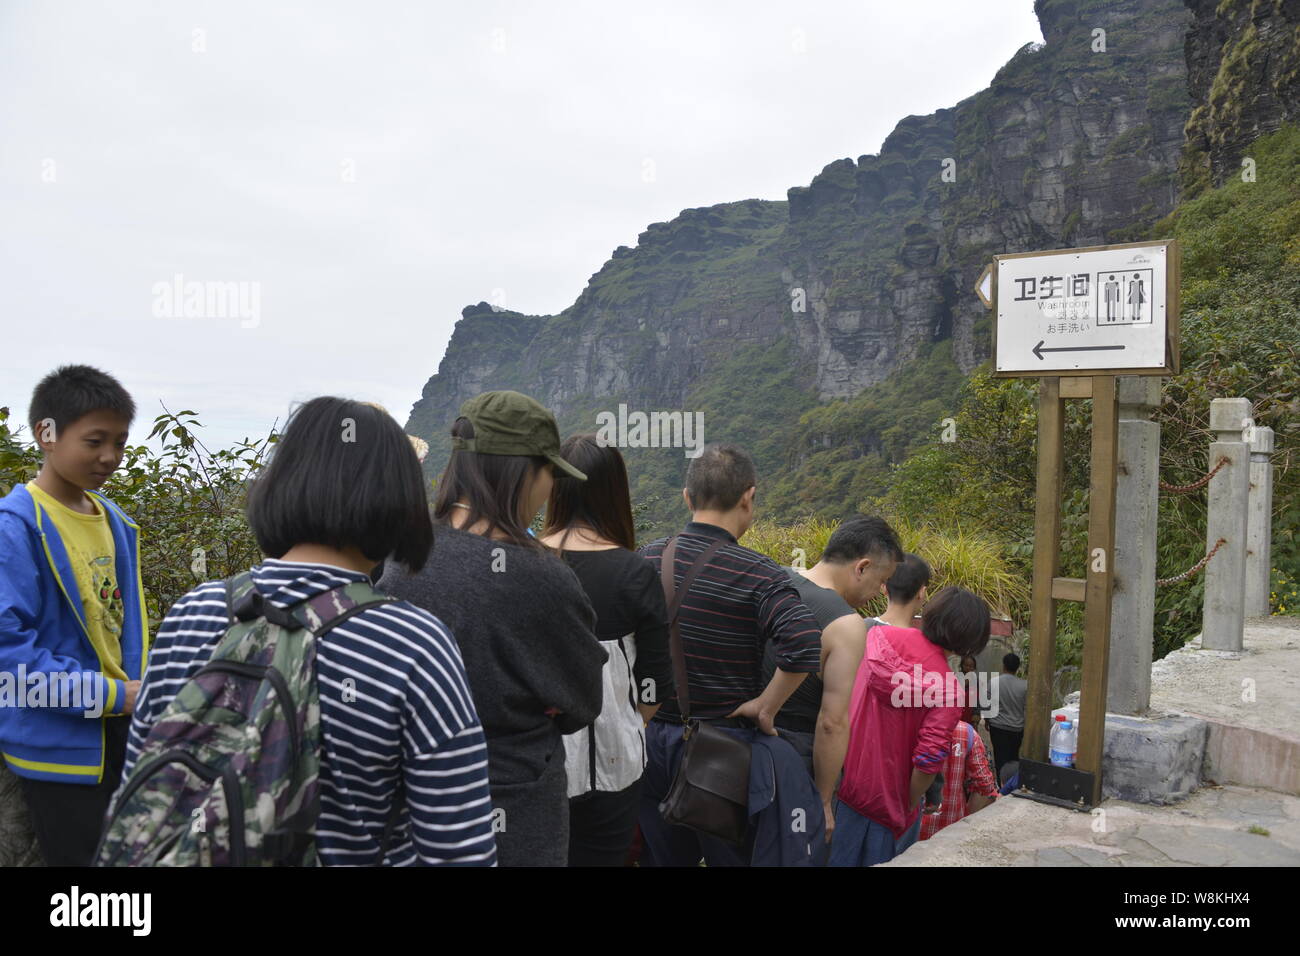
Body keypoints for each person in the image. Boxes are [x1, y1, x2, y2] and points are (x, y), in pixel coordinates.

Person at [118, 397, 497, 865]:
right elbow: (458, 848)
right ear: (401, 501)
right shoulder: (413, 643)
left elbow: (137, 787)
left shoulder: (192, 613)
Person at [381, 391, 606, 867]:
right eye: (549, 474)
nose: (550, 491)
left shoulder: (401, 551)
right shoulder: (542, 577)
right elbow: (582, 702)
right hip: (512, 809)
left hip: (409, 804)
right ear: (524, 472)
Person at [637, 442, 823, 866]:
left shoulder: (646, 558)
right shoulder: (761, 573)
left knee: (662, 858)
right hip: (722, 751)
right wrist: (765, 706)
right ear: (748, 497)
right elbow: (804, 642)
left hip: (649, 744)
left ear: (687, 497)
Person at [0, 365, 146, 866]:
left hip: (120, 733)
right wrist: (111, 694)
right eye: (95, 440)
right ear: (46, 433)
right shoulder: (16, 529)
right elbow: (7, 660)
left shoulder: (116, 524)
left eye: (120, 443)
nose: (110, 457)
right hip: (58, 747)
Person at [539, 434, 673, 867]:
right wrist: (625, 721)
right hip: (615, 763)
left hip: (536, 763)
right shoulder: (635, 572)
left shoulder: (524, 561)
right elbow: (653, 683)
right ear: (616, 490)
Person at [758, 515, 902, 839]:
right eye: (883, 579)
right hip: (793, 759)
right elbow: (831, 722)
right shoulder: (846, 623)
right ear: (861, 567)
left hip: (739, 748)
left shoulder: (774, 580)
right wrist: (822, 801)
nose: (880, 592)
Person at [831, 584, 991, 867]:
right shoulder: (949, 690)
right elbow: (928, 760)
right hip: (889, 808)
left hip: (844, 789)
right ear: (971, 640)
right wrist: (907, 805)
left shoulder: (877, 637)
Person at [918, 719, 999, 840]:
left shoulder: (912, 728)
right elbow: (984, 786)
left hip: (913, 832)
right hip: (952, 828)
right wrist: (965, 819)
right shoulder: (968, 733)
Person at [982, 652, 1028, 785]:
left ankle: (1001, 786)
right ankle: (1013, 784)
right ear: (1017, 667)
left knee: (1000, 758)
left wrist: (987, 720)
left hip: (998, 727)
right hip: (1017, 728)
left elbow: (987, 703)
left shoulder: (994, 682)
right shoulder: (1024, 685)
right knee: (1013, 757)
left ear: (1004, 665)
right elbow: (1026, 708)